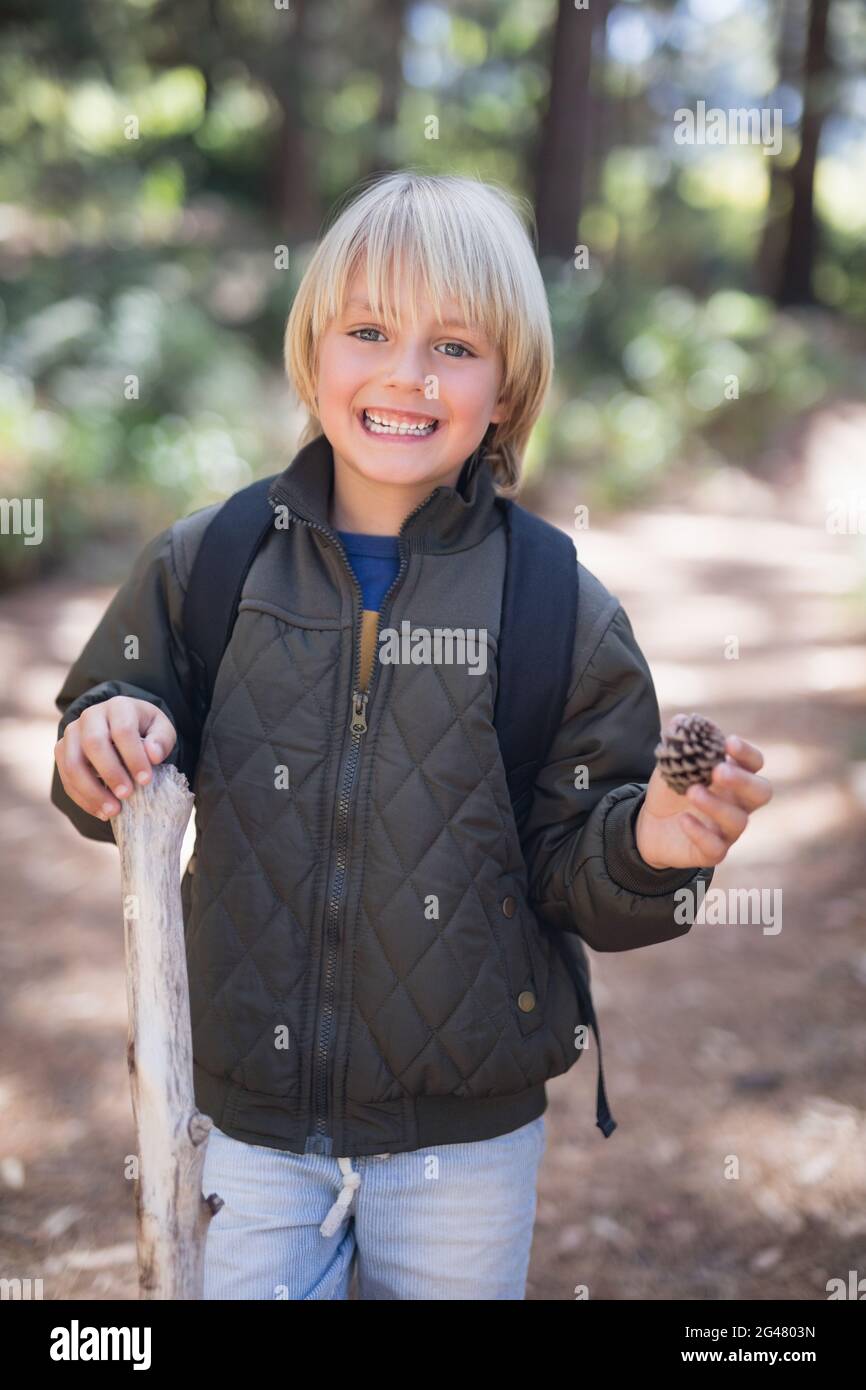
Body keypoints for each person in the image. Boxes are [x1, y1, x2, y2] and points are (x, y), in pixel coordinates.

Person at [51, 170, 772, 1300]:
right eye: (369, 330)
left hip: (463, 1150)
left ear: (508, 384)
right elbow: (103, 721)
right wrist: (101, 735)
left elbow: (583, 858)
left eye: (453, 345)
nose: (403, 372)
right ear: (312, 355)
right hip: (242, 1124)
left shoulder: (554, 606)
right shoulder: (212, 562)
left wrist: (658, 847)